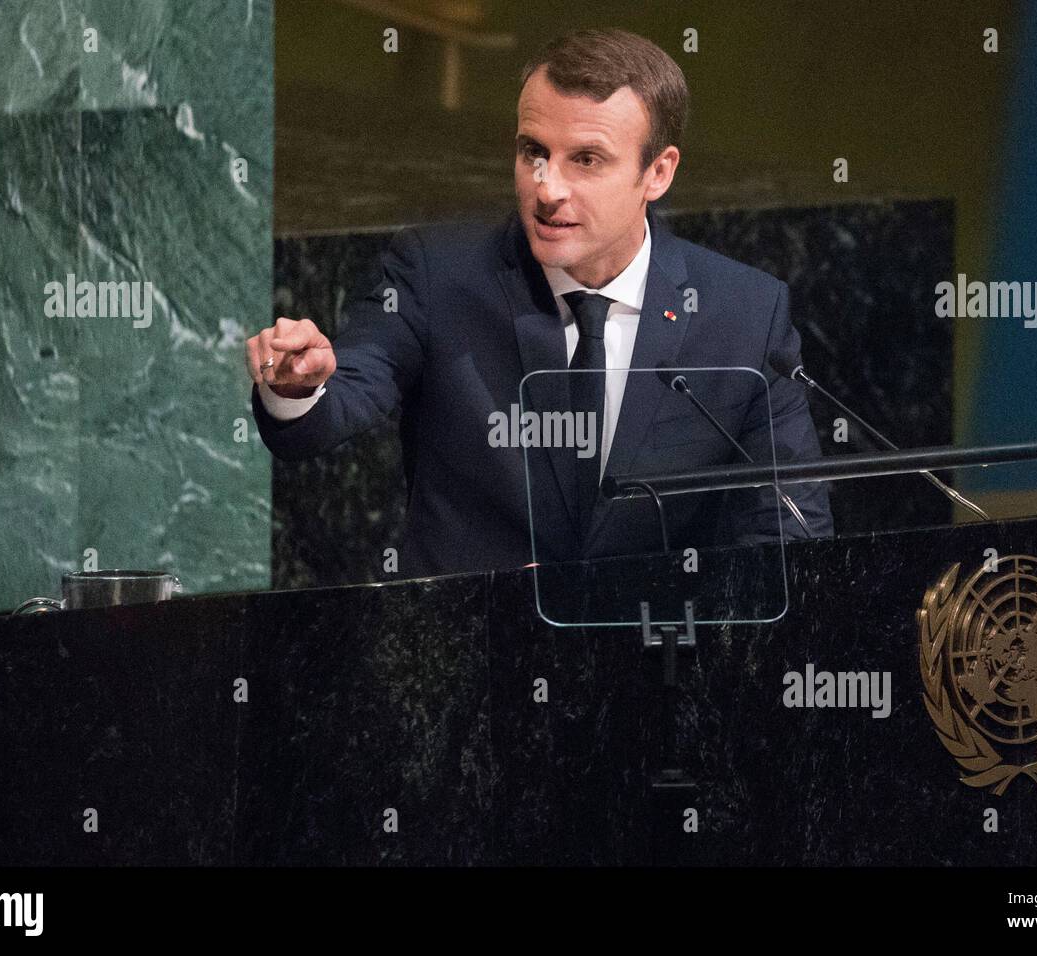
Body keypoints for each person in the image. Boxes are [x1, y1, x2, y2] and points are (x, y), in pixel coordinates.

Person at [246, 28, 832, 579]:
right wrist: (297, 387)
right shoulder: (439, 274)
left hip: (657, 663)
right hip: (469, 660)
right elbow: (335, 405)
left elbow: (788, 529)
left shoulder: (743, 313)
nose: (547, 188)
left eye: (586, 159)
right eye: (534, 151)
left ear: (657, 172)